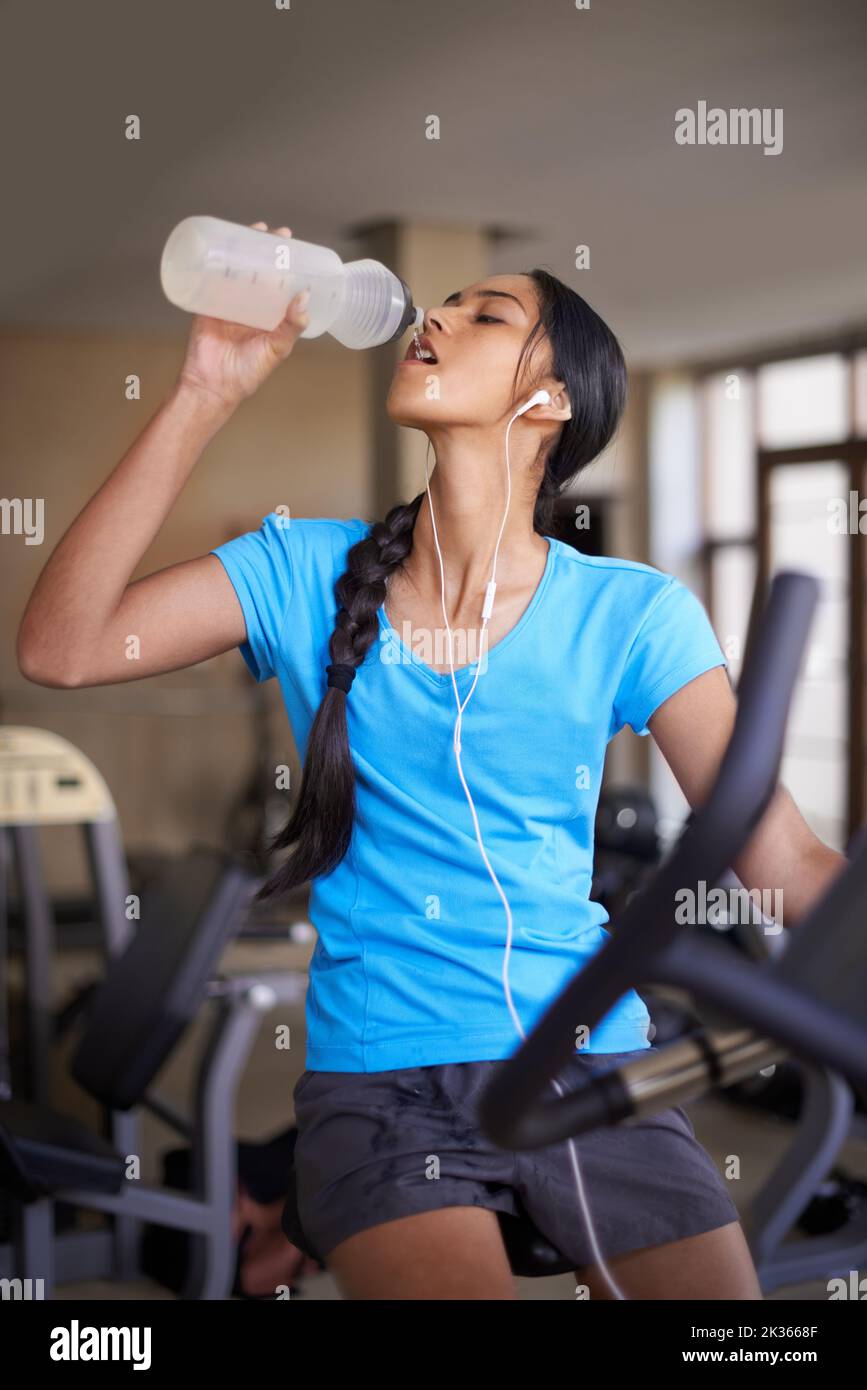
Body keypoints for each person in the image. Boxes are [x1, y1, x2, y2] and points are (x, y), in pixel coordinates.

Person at [18, 222, 846, 1301]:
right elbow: (62, 647)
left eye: (487, 313)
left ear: (548, 405)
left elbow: (777, 856)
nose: (437, 317)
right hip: (382, 1077)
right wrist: (207, 391)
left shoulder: (631, 612)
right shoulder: (302, 569)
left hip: (587, 1060)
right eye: (444, 301)